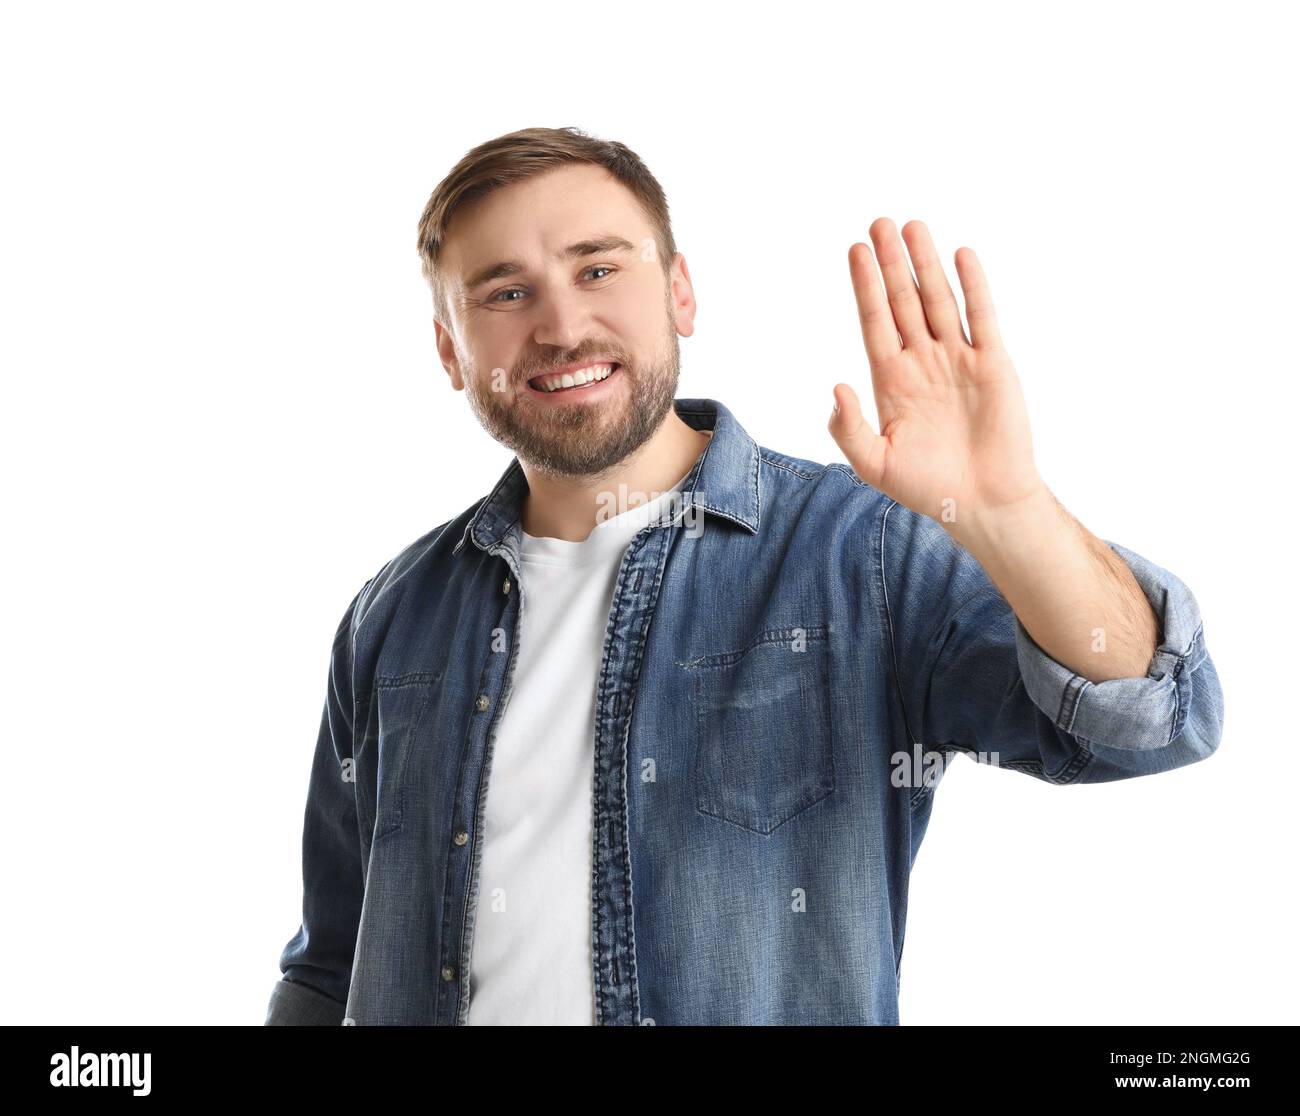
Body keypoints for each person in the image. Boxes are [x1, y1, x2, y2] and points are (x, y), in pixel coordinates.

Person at [263, 126, 1223, 1026]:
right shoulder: (394, 614)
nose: (561, 325)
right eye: (504, 294)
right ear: (449, 349)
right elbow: (328, 964)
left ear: (681, 291)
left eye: (599, 268)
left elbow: (1148, 722)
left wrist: (1012, 516)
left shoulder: (862, 551)